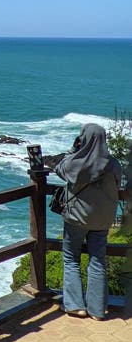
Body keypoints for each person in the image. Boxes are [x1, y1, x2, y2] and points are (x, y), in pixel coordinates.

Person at [54, 123, 122, 320]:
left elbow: (60, 168)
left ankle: (75, 305)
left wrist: (74, 149)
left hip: (77, 218)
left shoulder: (77, 162)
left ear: (83, 138)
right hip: (103, 219)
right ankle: (97, 309)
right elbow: (120, 182)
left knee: (71, 259)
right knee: (98, 261)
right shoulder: (113, 164)